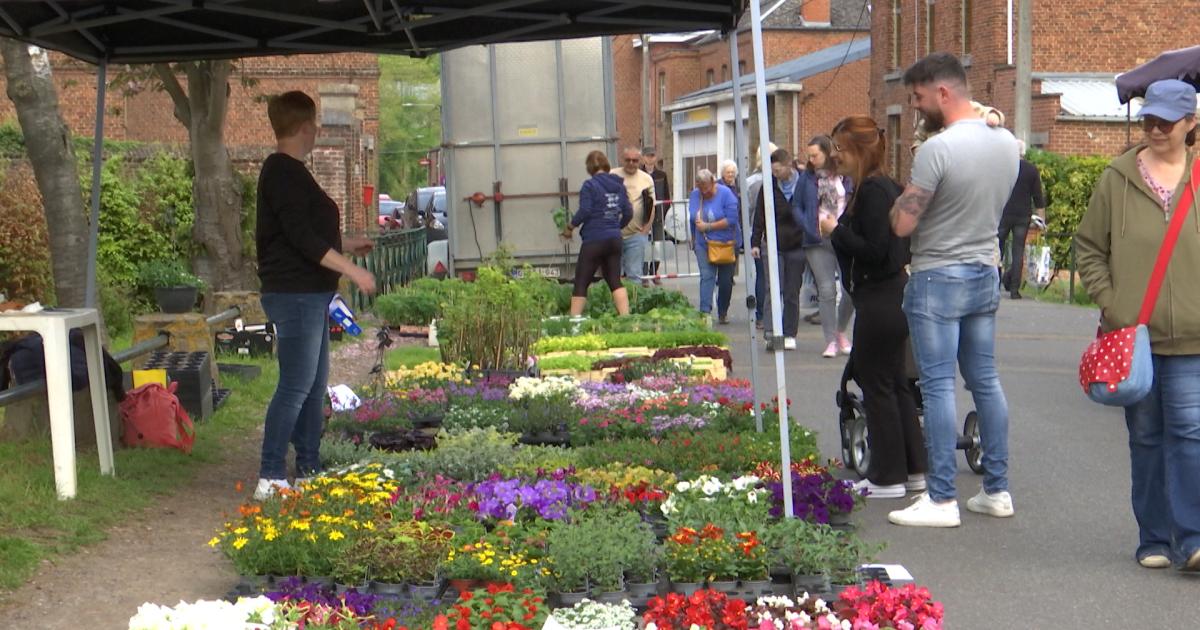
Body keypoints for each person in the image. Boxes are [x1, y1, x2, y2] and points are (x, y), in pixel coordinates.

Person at [886, 53, 1019, 528]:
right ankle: (997, 489)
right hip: (984, 269)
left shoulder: (935, 151)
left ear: (942, 92)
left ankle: (942, 498)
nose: (916, 106)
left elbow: (903, 222)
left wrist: (902, 197)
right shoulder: (1005, 142)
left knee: (939, 384)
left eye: (919, 97)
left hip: (937, 274)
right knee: (985, 380)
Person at [1075, 78, 1200, 572]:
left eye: (1167, 121)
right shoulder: (1117, 177)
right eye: (1149, 119)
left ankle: (1191, 539)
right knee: (1145, 437)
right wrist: (1113, 303)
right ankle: (1152, 538)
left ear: (1191, 123)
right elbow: (1088, 247)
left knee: (1190, 435)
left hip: (1194, 337)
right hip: (1136, 336)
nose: (1155, 128)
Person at [254, 90, 377, 501]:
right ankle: (270, 474)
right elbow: (302, 239)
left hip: (310, 293)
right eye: (316, 124)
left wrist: (348, 243)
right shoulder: (282, 172)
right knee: (295, 384)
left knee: (313, 382)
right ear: (307, 127)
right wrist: (352, 270)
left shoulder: (290, 172)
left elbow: (303, 233)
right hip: (296, 294)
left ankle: (308, 465)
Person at [820, 115, 926, 500]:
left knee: (876, 382)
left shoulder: (874, 192)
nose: (836, 158)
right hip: (890, 296)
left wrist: (837, 232)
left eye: (841, 150)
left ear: (859, 151)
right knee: (894, 383)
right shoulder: (880, 188)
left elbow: (878, 251)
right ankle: (913, 468)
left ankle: (886, 475)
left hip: (881, 296)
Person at [751, 149, 818, 350]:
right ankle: (771, 332)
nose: (775, 174)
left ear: (789, 165)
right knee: (773, 289)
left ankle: (789, 333)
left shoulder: (804, 184)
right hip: (774, 244)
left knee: (791, 291)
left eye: (778, 170)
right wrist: (755, 242)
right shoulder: (768, 186)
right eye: (773, 171)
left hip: (798, 244)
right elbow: (760, 215)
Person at [563, 150, 633, 316]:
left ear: (590, 168)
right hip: (614, 239)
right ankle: (626, 319)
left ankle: (574, 323)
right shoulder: (619, 186)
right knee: (614, 280)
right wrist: (616, 226)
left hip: (594, 239)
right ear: (606, 166)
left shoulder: (590, 185)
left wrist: (570, 227)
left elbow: (585, 210)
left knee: (581, 281)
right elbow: (629, 212)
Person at [805, 135, 855, 358]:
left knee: (849, 288)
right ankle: (830, 340)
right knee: (826, 290)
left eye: (815, 155)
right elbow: (797, 205)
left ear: (827, 152)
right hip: (818, 239)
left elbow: (853, 201)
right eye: (809, 156)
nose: (812, 159)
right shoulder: (807, 178)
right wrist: (809, 225)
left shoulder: (845, 176)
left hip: (842, 236)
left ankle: (841, 330)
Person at [998, 140, 1046, 299]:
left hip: (1004, 212)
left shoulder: (1003, 168)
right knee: (1018, 251)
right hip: (1022, 215)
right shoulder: (1031, 170)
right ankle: (1014, 290)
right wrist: (1042, 219)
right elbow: (1038, 197)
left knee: (997, 249)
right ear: (1024, 152)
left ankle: (994, 285)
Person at [690, 169, 740, 323]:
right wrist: (694, 235)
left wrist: (708, 226)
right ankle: (705, 313)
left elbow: (731, 219)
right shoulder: (695, 194)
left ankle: (723, 311)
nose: (705, 192)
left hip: (726, 244)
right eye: (701, 189)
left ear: (713, 182)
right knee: (707, 277)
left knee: (726, 281)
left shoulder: (726, 194)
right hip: (703, 244)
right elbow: (693, 217)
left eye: (707, 188)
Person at [746, 143, 778, 330]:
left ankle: (761, 314)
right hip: (766, 232)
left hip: (756, 232)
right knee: (770, 276)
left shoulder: (750, 182)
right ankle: (767, 314)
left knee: (762, 275)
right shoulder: (771, 182)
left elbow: (747, 209)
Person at [618, 147, 656, 288]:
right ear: (623, 160)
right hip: (614, 235)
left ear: (639, 161)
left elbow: (652, 205)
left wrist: (646, 228)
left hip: (636, 235)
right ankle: (615, 307)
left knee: (634, 275)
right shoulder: (613, 175)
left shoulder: (646, 179)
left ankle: (633, 307)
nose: (631, 163)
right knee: (614, 275)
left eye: (635, 160)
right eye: (628, 160)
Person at [643, 147, 671, 284]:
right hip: (642, 216)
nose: (650, 158)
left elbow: (666, 196)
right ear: (643, 157)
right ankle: (644, 276)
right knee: (644, 245)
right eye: (648, 156)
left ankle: (654, 272)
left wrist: (664, 211)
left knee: (658, 244)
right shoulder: (639, 173)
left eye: (652, 156)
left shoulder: (661, 175)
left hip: (658, 216)